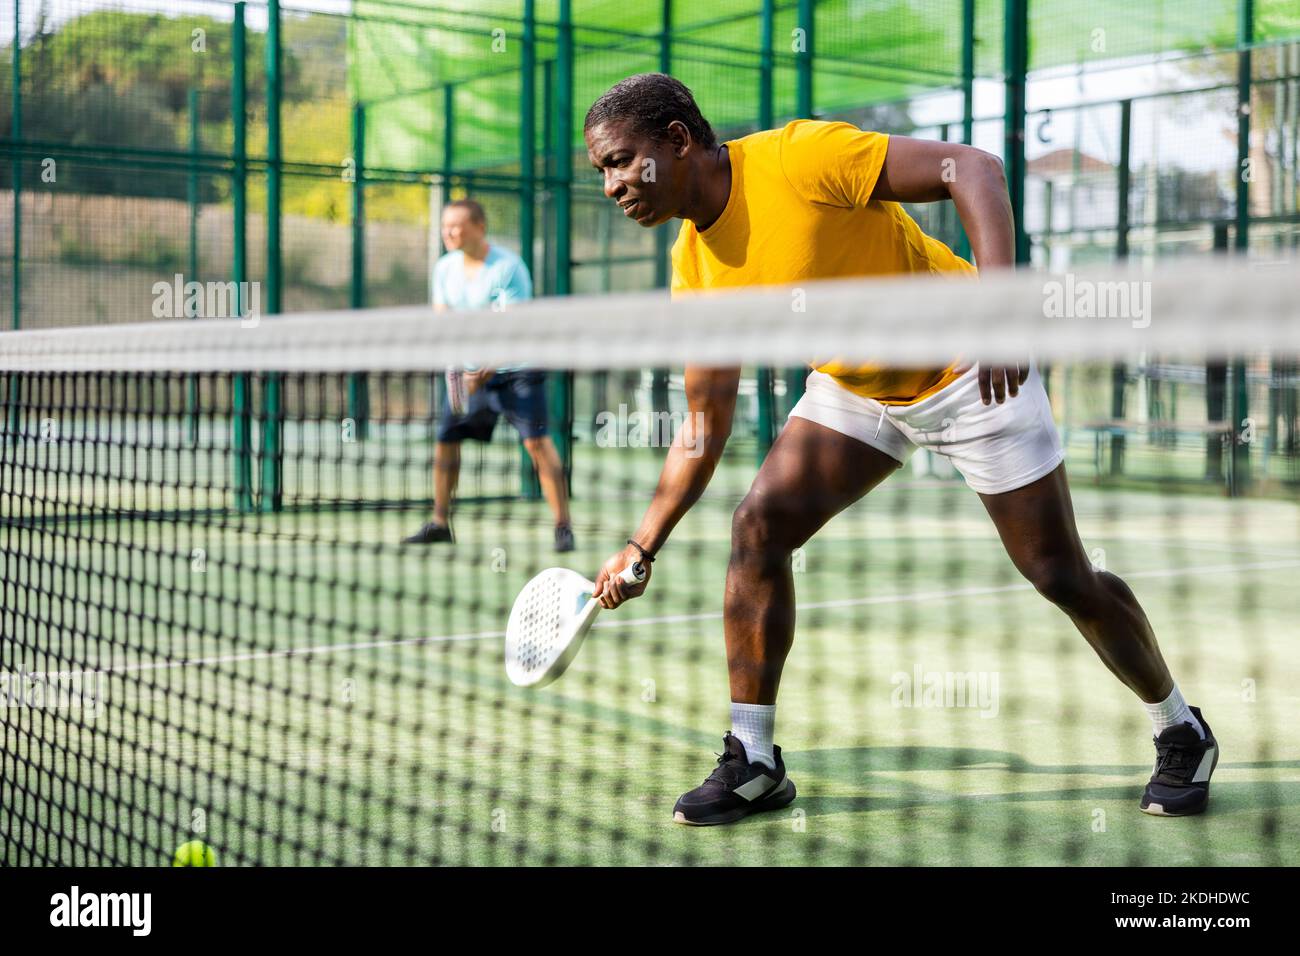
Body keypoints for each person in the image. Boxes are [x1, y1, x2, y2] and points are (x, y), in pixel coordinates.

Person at [584, 74, 1218, 825]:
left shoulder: (799, 158)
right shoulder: (695, 267)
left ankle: (1180, 727)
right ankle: (753, 758)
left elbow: (970, 168)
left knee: (1058, 573)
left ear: (677, 140)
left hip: (969, 371)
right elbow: (703, 422)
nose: (612, 185)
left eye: (621, 161)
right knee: (759, 525)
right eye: (602, 171)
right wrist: (641, 543)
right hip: (858, 390)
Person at [404, 199, 574, 552]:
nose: (449, 232)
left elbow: (514, 326)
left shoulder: (509, 267)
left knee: (537, 443)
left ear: (479, 227)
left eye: (457, 226)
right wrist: (460, 364)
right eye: (445, 226)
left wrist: (488, 366)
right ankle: (439, 522)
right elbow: (444, 319)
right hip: (468, 374)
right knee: (446, 440)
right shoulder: (444, 268)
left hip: (517, 369)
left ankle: (562, 526)